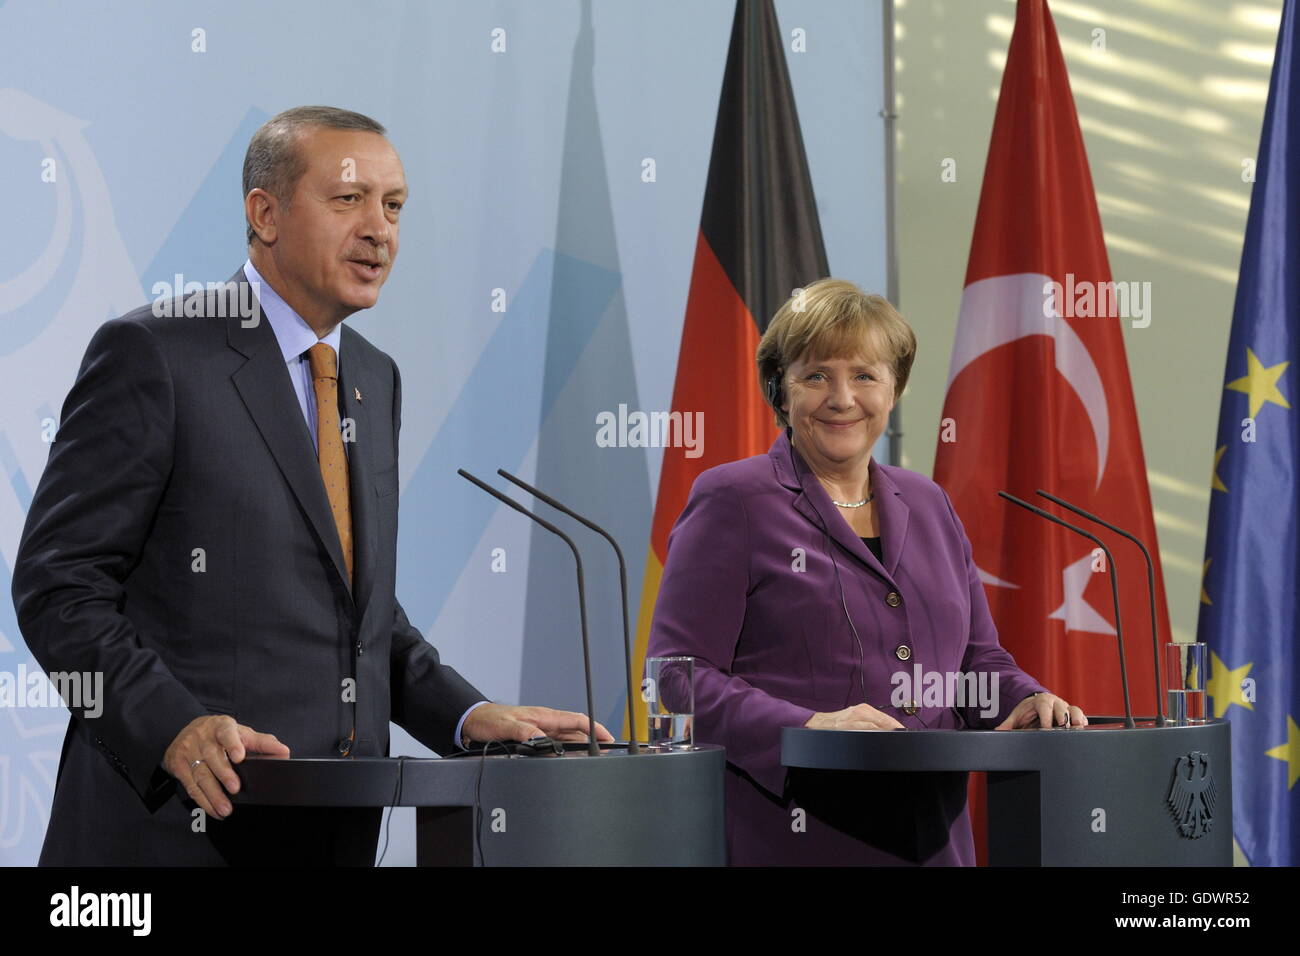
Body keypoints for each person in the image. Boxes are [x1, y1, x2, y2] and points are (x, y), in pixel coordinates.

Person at [12, 106, 611, 866]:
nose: (379, 230)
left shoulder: (372, 378)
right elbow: (57, 586)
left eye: (394, 207)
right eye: (349, 200)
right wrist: (172, 728)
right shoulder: (155, 355)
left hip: (329, 833)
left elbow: (363, 621)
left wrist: (467, 715)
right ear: (264, 213)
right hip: (172, 833)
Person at [645, 278, 1085, 865]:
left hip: (932, 837)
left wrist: (1026, 701)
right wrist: (808, 725)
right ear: (781, 391)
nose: (842, 397)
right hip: (793, 836)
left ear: (894, 388)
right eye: (816, 375)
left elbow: (977, 661)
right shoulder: (734, 499)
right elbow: (675, 679)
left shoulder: (929, 503)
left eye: (865, 375)